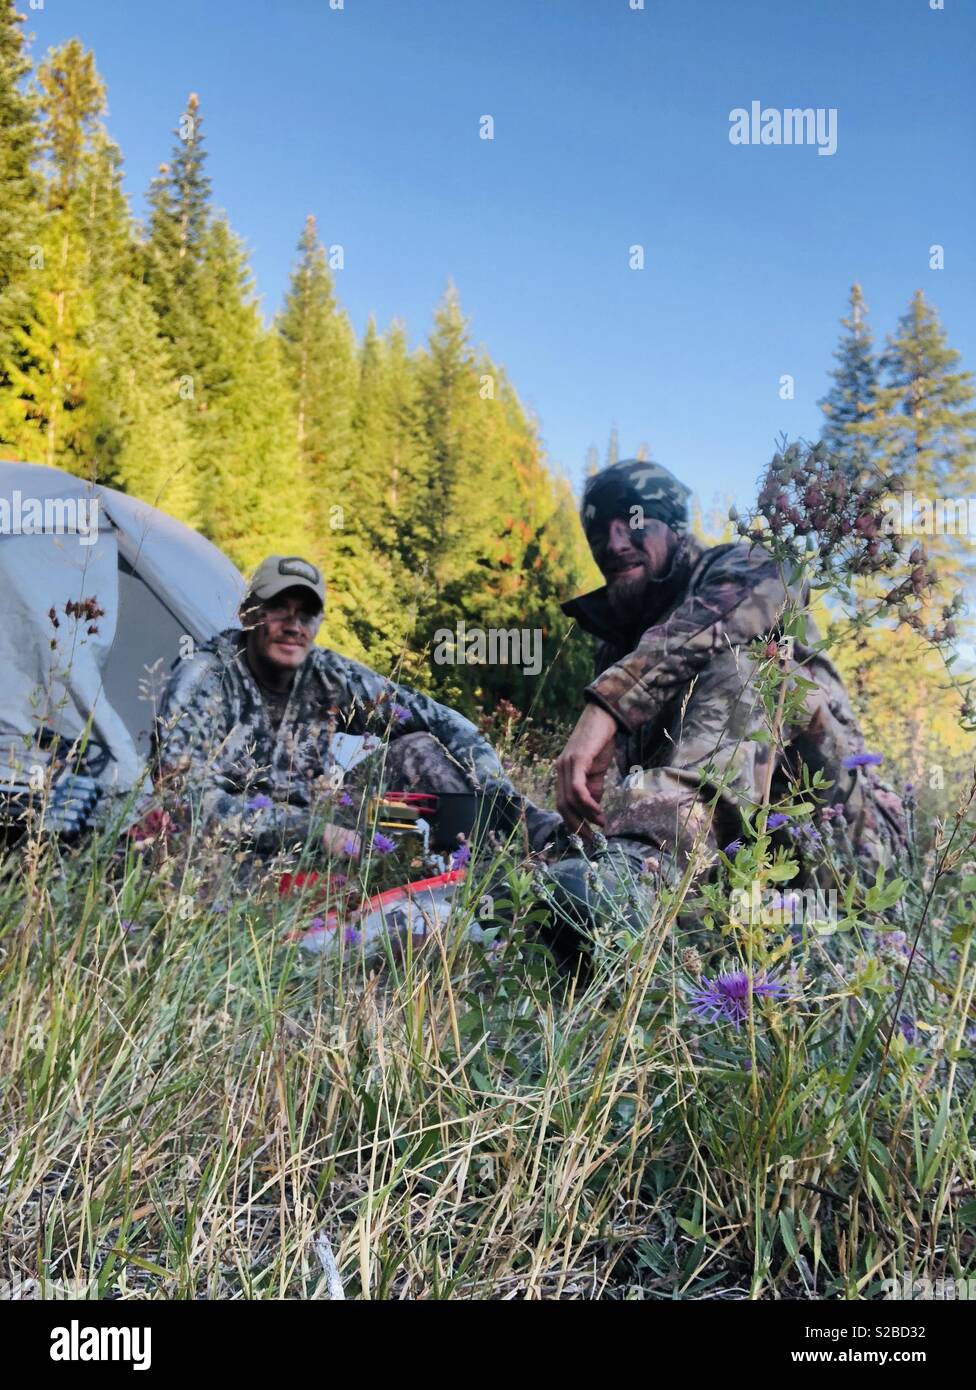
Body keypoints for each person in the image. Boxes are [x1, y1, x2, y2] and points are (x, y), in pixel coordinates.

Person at [545, 459, 908, 940]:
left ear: (673, 526)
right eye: (599, 530)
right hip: (746, 882)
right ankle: (634, 884)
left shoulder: (746, 567)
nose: (613, 544)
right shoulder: (618, 645)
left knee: (753, 665)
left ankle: (637, 877)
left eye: (632, 520)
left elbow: (744, 604)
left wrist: (608, 703)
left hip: (844, 856)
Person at [154, 554, 562, 860]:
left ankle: (525, 852)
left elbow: (442, 719)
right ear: (249, 613)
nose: (294, 626)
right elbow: (181, 798)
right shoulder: (206, 677)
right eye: (280, 609)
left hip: (324, 835)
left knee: (418, 747)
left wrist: (499, 791)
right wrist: (310, 831)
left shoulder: (325, 672)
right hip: (235, 848)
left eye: (308, 614)